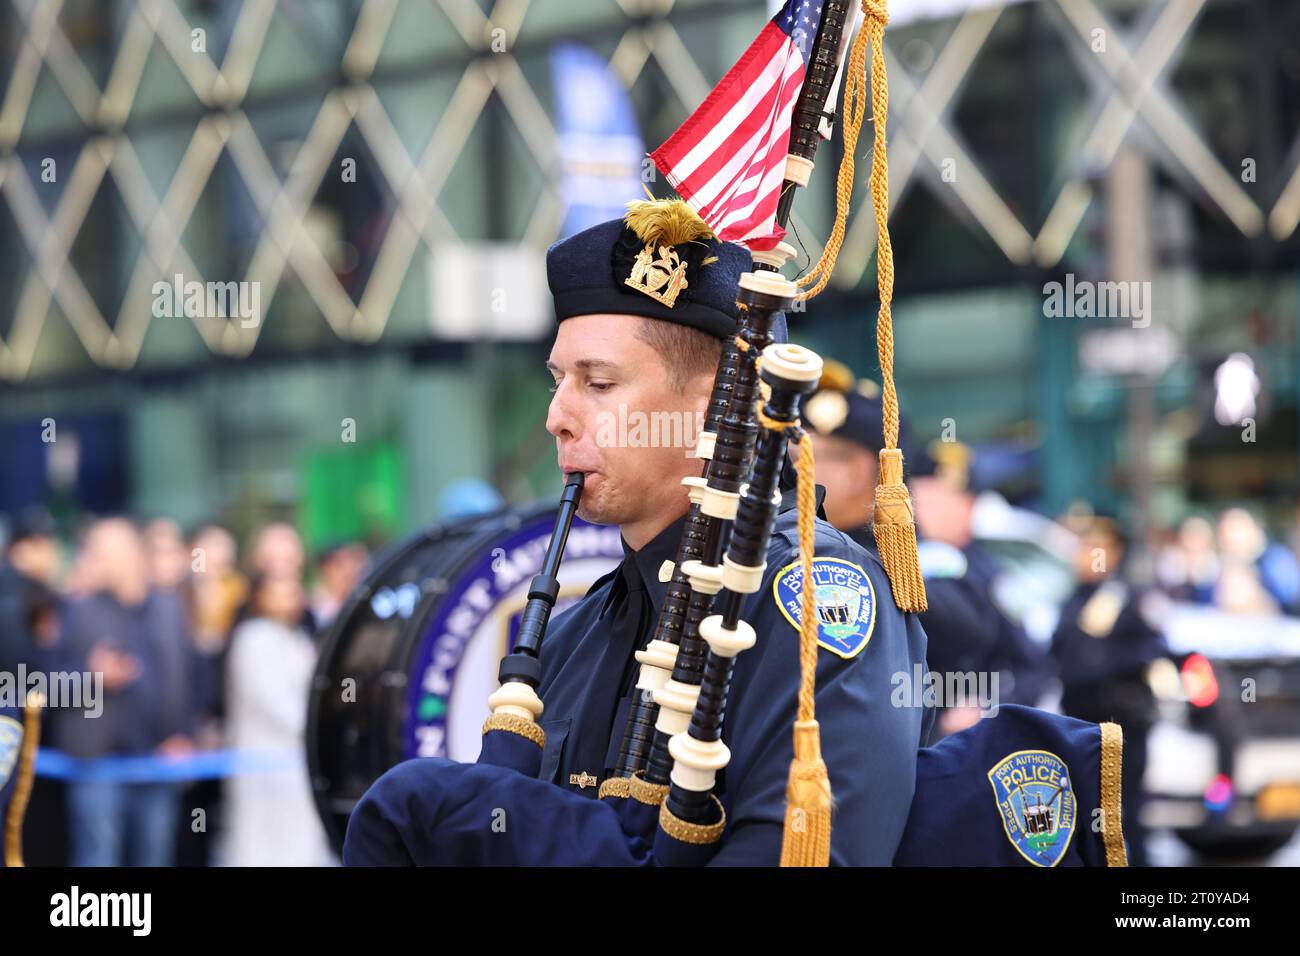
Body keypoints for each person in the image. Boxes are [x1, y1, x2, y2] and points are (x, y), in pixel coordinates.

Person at [346, 199, 932, 865]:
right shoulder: (574, 634)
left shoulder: (813, 602)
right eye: (557, 381)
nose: (558, 418)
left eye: (598, 383)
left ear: (714, 406)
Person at [50, 517, 197, 867]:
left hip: (159, 760)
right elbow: (45, 686)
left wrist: (184, 735)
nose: (91, 560)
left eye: (100, 553)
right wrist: (91, 677)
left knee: (156, 857)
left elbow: (192, 679)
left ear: (130, 555)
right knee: (97, 858)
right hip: (98, 765)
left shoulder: (169, 608)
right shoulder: (78, 611)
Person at [1050, 513, 1167, 866]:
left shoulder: (1125, 597)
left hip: (1120, 723)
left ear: (1113, 553)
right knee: (1088, 817)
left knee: (1124, 815)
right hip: (1083, 723)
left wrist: (1101, 664)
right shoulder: (1075, 597)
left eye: (1094, 548)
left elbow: (1151, 649)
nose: (1084, 555)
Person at [908, 440, 1051, 729]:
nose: (929, 511)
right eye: (924, 498)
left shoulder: (988, 576)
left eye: (946, 501)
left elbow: (1032, 668)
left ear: (970, 506)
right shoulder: (895, 563)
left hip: (958, 736)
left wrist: (988, 712)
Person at [218, 574, 332, 866]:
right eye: (280, 592)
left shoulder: (297, 638)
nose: (290, 600)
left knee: (299, 838)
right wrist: (310, 727)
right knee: (259, 840)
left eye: (294, 592)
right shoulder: (253, 638)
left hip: (295, 760)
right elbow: (270, 698)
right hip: (263, 759)